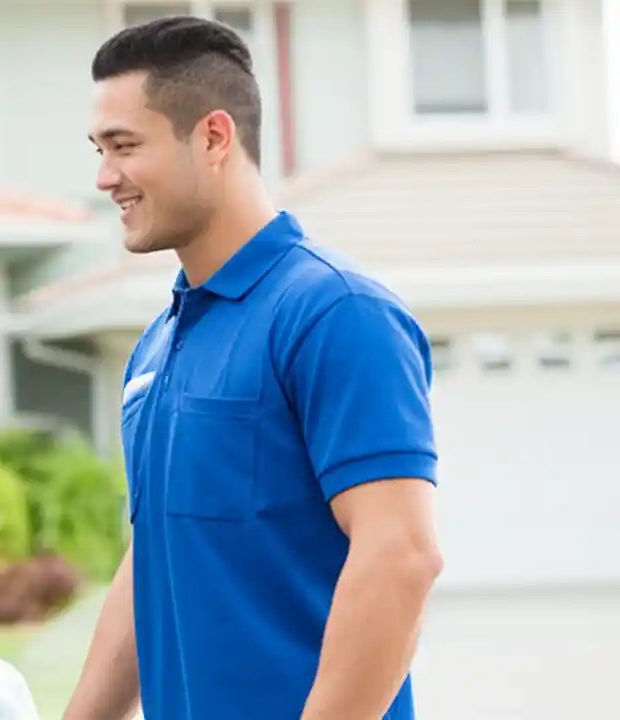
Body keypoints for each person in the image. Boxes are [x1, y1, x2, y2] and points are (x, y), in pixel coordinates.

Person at [64, 16, 443, 720]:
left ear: (212, 137)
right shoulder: (158, 345)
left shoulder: (335, 314)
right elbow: (154, 557)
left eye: (124, 147)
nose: (105, 176)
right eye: (99, 149)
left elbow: (401, 557)